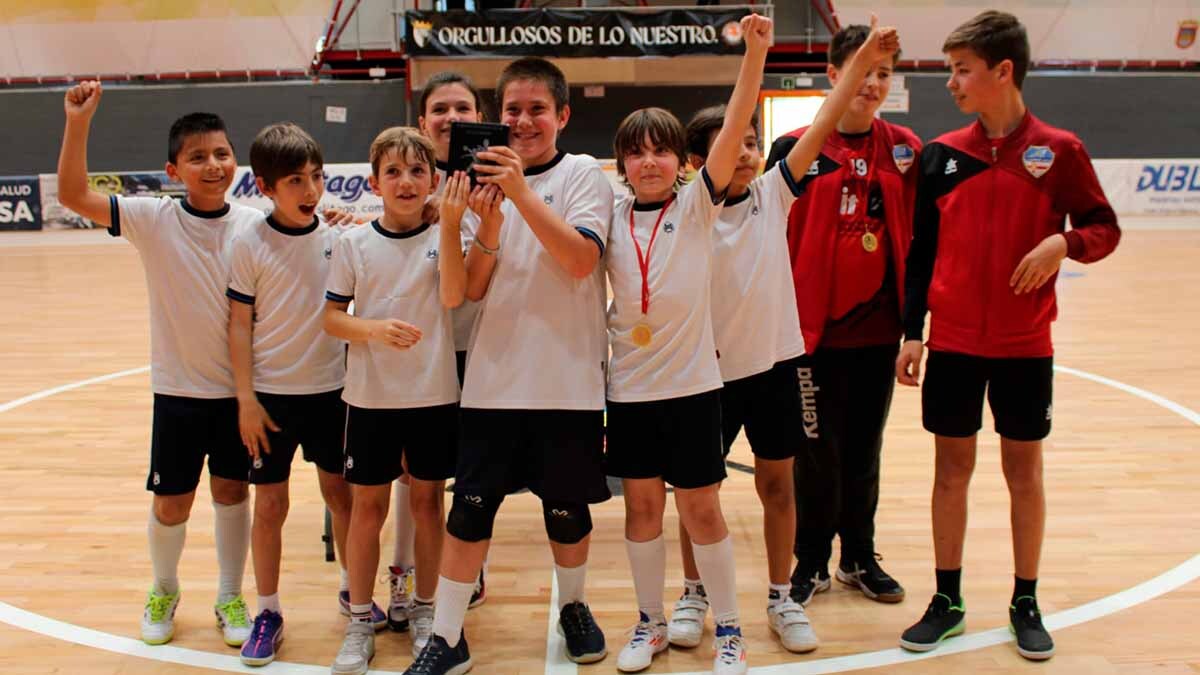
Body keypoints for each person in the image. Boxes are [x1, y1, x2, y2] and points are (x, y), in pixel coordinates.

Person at [895, 10, 1120, 661]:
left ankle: (1026, 598)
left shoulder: (1062, 150)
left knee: (1024, 470)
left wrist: (1064, 241)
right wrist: (914, 332)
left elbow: (1104, 227)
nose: (952, 82)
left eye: (962, 70)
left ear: (1003, 70)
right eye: (950, 70)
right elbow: (921, 254)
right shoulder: (941, 156)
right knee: (950, 470)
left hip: (1026, 346)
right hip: (956, 345)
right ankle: (947, 598)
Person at [671, 16, 900, 655]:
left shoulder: (776, 192)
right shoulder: (692, 211)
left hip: (775, 367)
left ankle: (779, 595)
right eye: (729, 144)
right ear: (699, 163)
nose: (745, 153)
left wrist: (860, 62)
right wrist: (756, 54)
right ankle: (694, 592)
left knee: (779, 483)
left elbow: (827, 114)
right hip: (705, 373)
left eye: (751, 141)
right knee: (699, 491)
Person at [406, 57, 614, 675]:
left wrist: (519, 191)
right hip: (494, 379)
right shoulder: (472, 187)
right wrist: (479, 220)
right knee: (468, 513)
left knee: (567, 511)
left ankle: (573, 608)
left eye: (537, 110)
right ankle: (446, 635)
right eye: (513, 111)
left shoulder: (583, 176)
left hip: (568, 378)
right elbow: (469, 288)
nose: (523, 122)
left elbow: (580, 262)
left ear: (562, 116)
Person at [57, 81, 257, 648]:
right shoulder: (152, 218)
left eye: (221, 153)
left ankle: (229, 594)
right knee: (172, 502)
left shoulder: (254, 223)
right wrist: (78, 122)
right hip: (177, 392)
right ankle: (164, 587)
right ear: (174, 170)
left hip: (239, 394)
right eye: (198, 157)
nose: (213, 164)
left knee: (232, 494)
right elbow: (73, 194)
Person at [602, 14, 771, 675]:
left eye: (661, 150)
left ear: (681, 161)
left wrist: (754, 56)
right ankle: (650, 622)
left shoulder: (699, 205)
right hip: (631, 391)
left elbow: (733, 127)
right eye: (637, 152)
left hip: (696, 388)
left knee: (701, 505)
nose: (649, 161)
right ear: (622, 163)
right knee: (642, 506)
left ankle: (730, 628)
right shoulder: (609, 216)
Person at [323, 127, 501, 674]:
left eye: (417, 171)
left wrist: (448, 225)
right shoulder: (353, 244)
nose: (405, 181)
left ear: (434, 180)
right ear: (373, 182)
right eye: (393, 172)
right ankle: (359, 620)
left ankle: (426, 611)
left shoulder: (441, 236)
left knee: (428, 506)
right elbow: (331, 317)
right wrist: (372, 330)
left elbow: (453, 294)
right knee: (367, 511)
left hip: (433, 397)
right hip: (371, 399)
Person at [763, 21, 919, 609]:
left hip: (878, 336)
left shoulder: (905, 150)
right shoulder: (794, 149)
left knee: (864, 449)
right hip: (811, 337)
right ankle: (810, 561)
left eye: (883, 73)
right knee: (815, 450)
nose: (872, 83)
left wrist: (915, 329)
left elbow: (921, 243)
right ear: (833, 75)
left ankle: (859, 556)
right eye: (861, 70)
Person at [226, 122, 363, 665]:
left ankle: (356, 593)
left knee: (342, 497)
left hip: (333, 392)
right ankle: (267, 610)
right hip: (272, 399)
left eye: (316, 177)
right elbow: (239, 326)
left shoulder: (339, 237)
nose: (310, 191)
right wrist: (246, 401)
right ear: (265, 187)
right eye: (295, 181)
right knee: (271, 505)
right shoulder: (249, 243)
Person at [384, 71, 492, 637]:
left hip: (483, 345)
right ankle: (402, 571)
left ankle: (470, 565)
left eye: (463, 107)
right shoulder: (411, 179)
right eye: (440, 109)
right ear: (423, 121)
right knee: (410, 474)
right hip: (422, 344)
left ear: (479, 116)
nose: (452, 117)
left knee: (472, 469)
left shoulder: (499, 176)